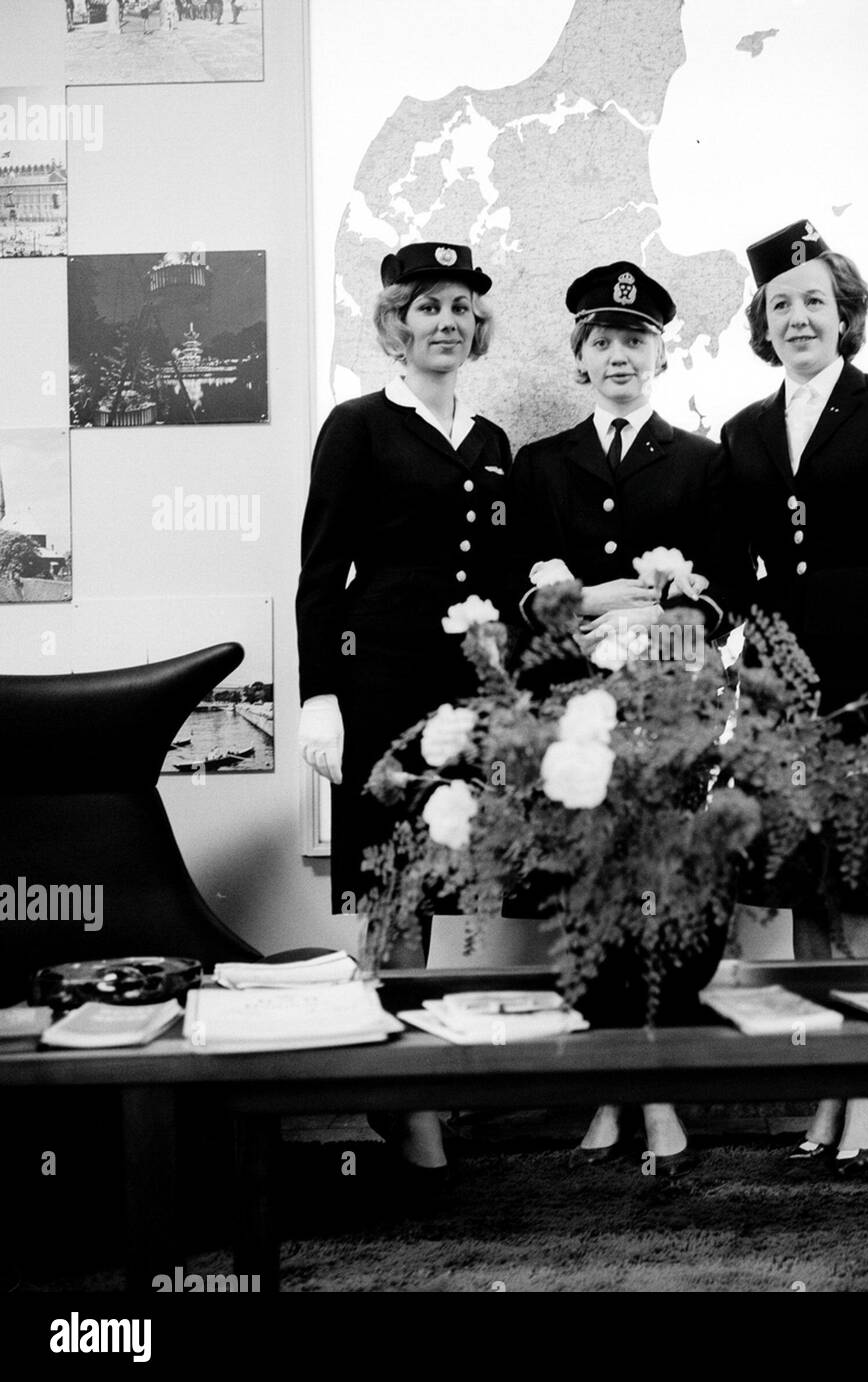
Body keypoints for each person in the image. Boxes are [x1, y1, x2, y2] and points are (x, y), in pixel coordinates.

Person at [721, 219, 868, 1174]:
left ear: (845, 312)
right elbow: (735, 569)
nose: (797, 317)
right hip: (776, 689)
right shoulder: (743, 431)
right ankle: (831, 1084)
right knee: (802, 895)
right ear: (763, 324)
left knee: (858, 889)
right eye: (780, 305)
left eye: (814, 300)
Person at [509, 261, 749, 1174]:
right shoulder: (540, 466)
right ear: (581, 356)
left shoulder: (704, 461)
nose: (620, 355)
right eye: (603, 341)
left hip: (672, 714)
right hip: (573, 718)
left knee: (663, 897)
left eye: (636, 341)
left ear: (661, 353)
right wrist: (601, 596)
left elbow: (725, 589)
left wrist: (668, 615)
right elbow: (518, 591)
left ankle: (661, 1096)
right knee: (591, 898)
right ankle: (612, 1089)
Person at [296, 240, 513, 1180]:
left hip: (461, 693)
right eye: (428, 306)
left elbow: (500, 578)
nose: (446, 322)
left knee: (442, 885)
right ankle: (406, 1101)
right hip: (377, 683)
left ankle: (412, 1083)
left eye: (461, 307)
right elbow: (319, 573)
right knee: (393, 891)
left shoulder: (492, 442)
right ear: (395, 323)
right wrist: (317, 696)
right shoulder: (357, 426)